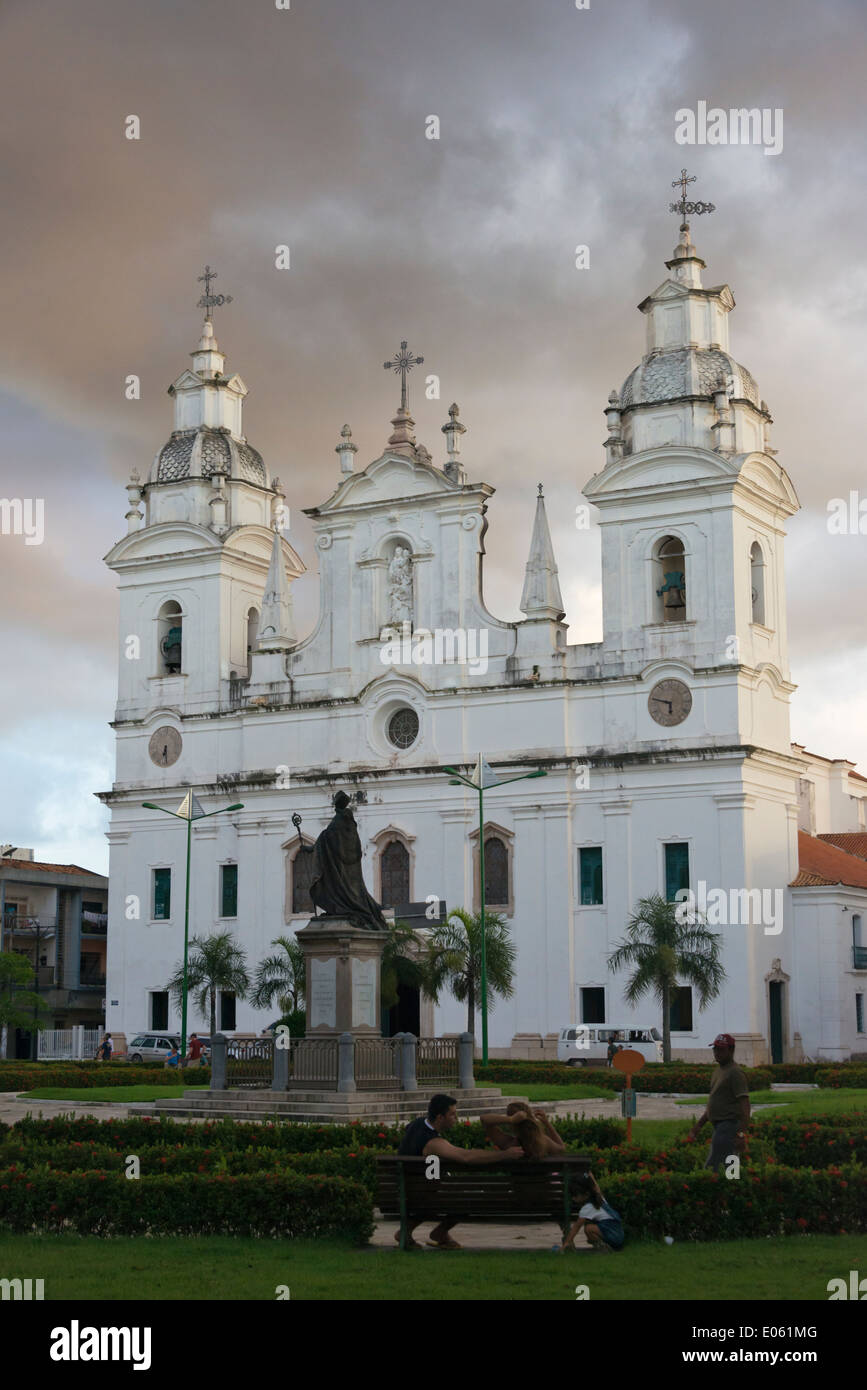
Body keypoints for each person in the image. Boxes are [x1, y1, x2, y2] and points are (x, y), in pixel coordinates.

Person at [396, 1093, 524, 1249]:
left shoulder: (417, 1124)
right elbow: (466, 1157)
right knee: (466, 1197)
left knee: (437, 1192)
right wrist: (505, 1154)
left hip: (404, 1190)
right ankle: (440, 1233)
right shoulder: (433, 1142)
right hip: (419, 1195)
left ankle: (407, 1231)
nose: (456, 1118)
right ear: (440, 1118)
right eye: (452, 1114)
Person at [687, 1032, 751, 1171]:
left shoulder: (735, 1073)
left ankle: (728, 1189)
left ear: (731, 1050)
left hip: (729, 1126)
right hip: (719, 1126)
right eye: (715, 1049)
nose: (717, 1052)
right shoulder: (718, 1071)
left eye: (721, 1049)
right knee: (729, 1167)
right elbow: (713, 1103)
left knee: (714, 1167)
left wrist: (741, 1134)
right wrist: (699, 1126)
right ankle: (732, 1188)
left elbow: (745, 1105)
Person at [561, 1172, 625, 1253]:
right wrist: (592, 1178)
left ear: (586, 1194)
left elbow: (576, 1227)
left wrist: (567, 1243)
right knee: (590, 1226)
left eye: (575, 1195)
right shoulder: (599, 1198)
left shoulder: (588, 1208)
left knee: (588, 1229)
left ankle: (605, 1247)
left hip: (614, 1236)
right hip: (618, 1234)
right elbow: (596, 1188)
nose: (573, 1198)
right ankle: (608, 1245)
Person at [482, 1103, 566, 1157]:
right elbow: (561, 1149)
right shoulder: (542, 1141)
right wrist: (547, 1123)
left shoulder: (508, 1144)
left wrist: (510, 1119)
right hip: (542, 1184)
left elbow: (484, 1119)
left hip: (516, 1185)